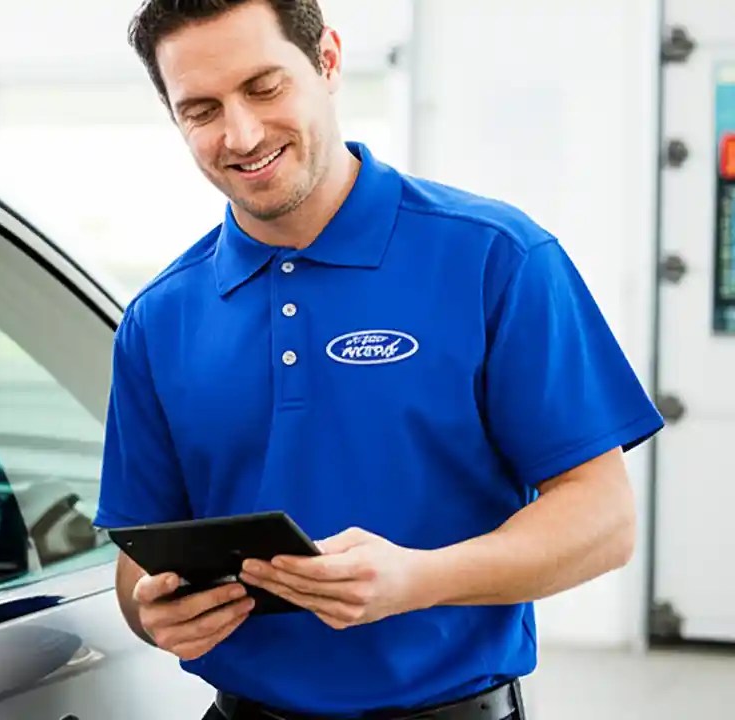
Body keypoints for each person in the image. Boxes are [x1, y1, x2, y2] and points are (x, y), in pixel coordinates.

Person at [92, 1, 665, 719]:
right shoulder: (159, 318)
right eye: (201, 110)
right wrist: (154, 614)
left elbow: (603, 521)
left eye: (264, 88)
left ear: (328, 60)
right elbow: (134, 566)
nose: (239, 134)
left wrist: (419, 579)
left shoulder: (496, 257)